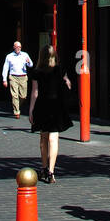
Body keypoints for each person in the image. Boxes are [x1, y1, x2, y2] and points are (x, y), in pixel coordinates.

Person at [28, 44, 73, 182]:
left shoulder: (37, 71)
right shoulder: (59, 70)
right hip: (56, 105)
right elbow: (68, 84)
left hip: (42, 105)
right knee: (54, 138)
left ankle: (44, 167)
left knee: (43, 138)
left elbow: (35, 92)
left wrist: (31, 110)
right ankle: (51, 171)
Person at [1, 40, 33, 119]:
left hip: (23, 76)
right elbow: (5, 68)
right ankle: (16, 111)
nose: (18, 48)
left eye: (20, 47)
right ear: (14, 47)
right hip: (13, 77)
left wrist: (28, 62)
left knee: (23, 96)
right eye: (17, 47)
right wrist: (4, 79)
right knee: (14, 95)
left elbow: (31, 65)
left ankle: (17, 105)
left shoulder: (25, 55)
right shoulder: (9, 56)